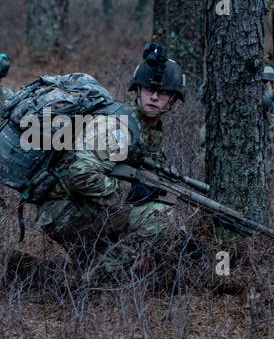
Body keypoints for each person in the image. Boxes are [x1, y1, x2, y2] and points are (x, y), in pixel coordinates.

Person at [25, 43, 188, 284]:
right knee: (158, 218)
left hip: (83, 208)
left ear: (173, 100)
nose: (154, 97)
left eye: (163, 93)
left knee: (161, 223)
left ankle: (27, 272)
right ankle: (93, 283)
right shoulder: (117, 126)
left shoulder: (150, 130)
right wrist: (126, 193)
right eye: (149, 90)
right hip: (65, 210)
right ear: (137, 90)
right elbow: (80, 174)